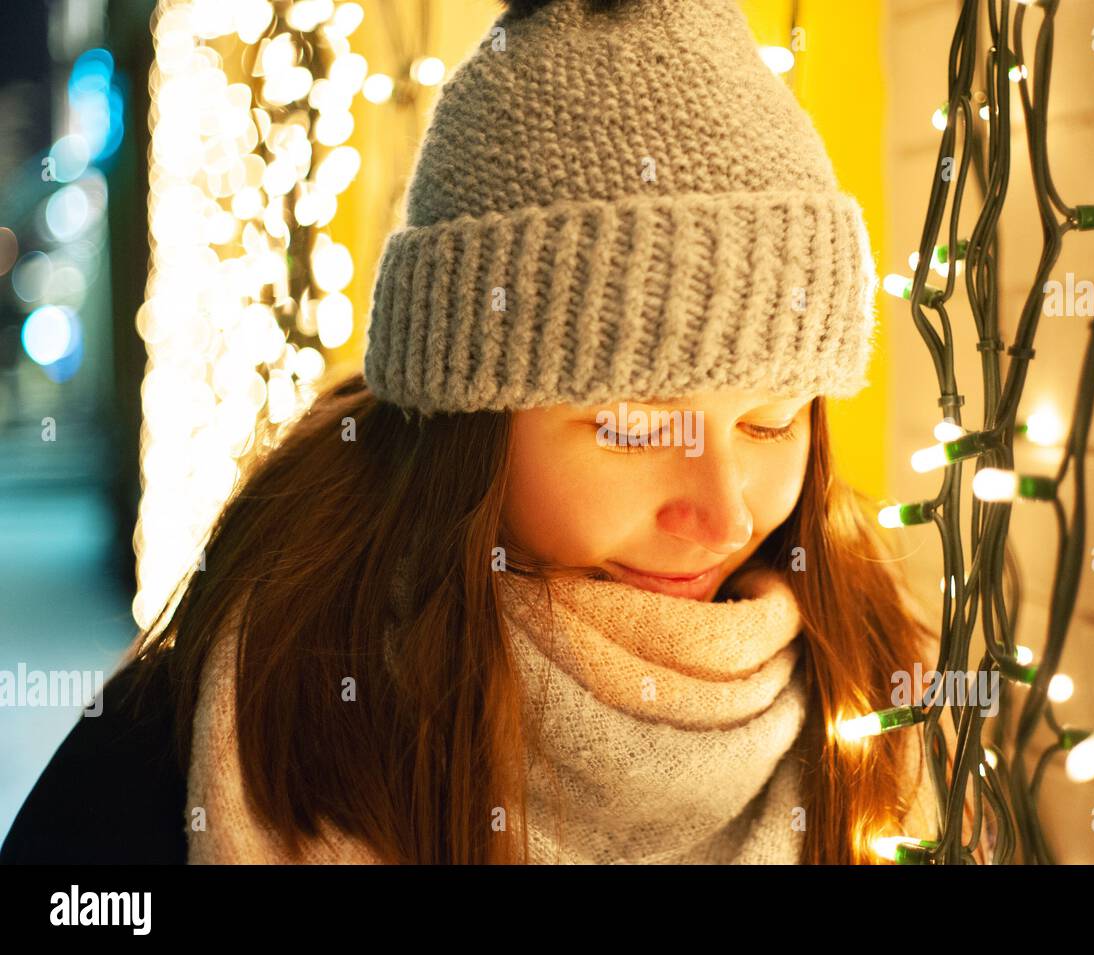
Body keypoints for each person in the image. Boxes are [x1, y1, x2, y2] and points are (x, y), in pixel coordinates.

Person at [2, 0, 990, 865]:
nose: (723, 514)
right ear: (462, 424)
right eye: (632, 428)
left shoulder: (875, 682)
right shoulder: (213, 728)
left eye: (773, 423)